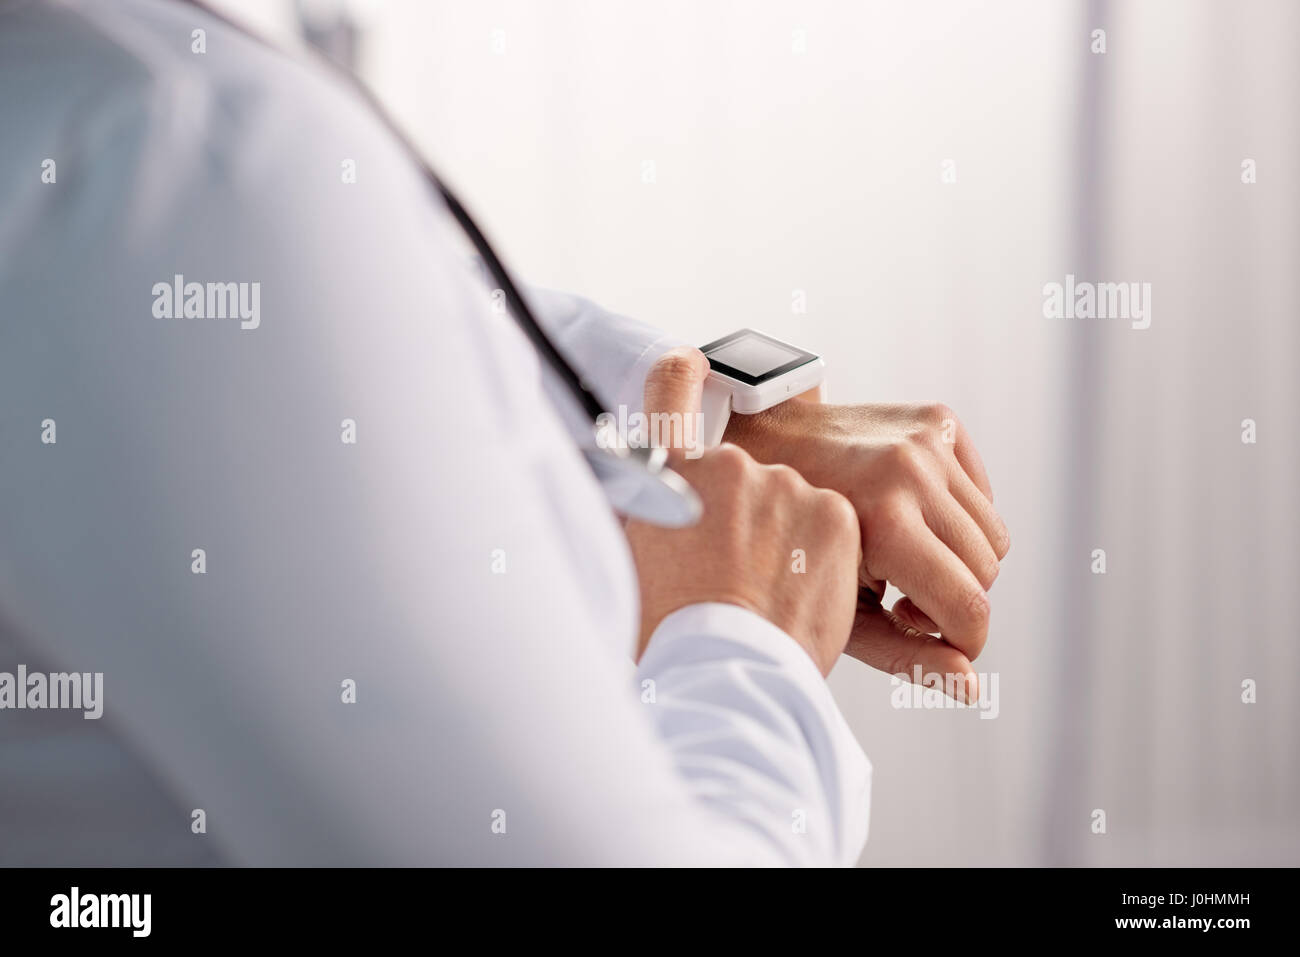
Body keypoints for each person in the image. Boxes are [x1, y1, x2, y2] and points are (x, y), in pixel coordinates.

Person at [0, 0, 1007, 866]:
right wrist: (746, 640)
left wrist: (715, 417)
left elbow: (361, 308)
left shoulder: (106, 97)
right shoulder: (184, 142)